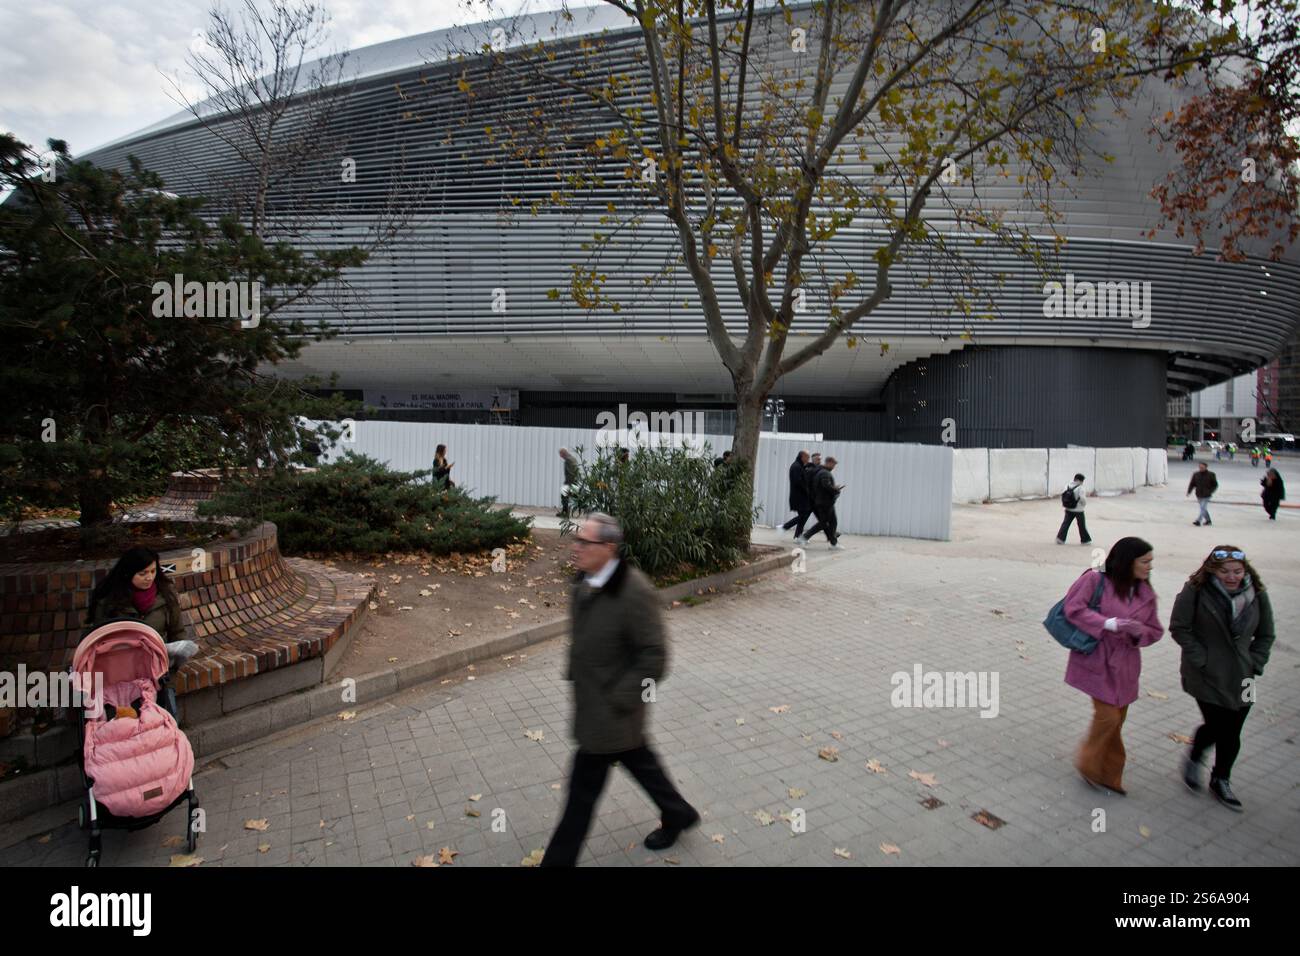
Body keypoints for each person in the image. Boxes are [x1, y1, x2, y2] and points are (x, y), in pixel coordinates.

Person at [541, 513, 699, 866]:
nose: (576, 547)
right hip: (596, 705)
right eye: (576, 540)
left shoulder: (635, 591)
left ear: (609, 547)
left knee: (580, 798)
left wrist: (623, 699)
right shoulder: (586, 579)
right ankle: (679, 813)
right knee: (643, 764)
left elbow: (656, 656)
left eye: (585, 542)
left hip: (610, 713)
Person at [1169, 547, 1275, 811]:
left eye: (1237, 571)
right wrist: (1201, 658)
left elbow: (1266, 635)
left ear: (1246, 570)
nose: (1232, 577)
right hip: (1206, 674)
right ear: (1211, 570)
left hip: (1245, 676)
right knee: (1217, 726)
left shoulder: (1257, 594)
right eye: (1224, 571)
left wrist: (1256, 662)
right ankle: (1195, 756)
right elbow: (1179, 627)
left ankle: (1221, 779)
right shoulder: (1195, 591)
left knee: (1234, 729)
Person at [1061, 536, 1164, 794]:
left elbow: (1155, 630)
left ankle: (1109, 774)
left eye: (1151, 561)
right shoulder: (1095, 580)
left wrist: (1139, 633)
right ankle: (1088, 763)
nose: (1150, 567)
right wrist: (1109, 624)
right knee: (1108, 717)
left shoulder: (1145, 592)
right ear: (1128, 562)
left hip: (1127, 666)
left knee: (1117, 721)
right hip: (1097, 659)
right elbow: (1072, 608)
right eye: (1145, 561)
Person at [86, 548, 200, 716]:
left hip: (158, 670)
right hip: (121, 673)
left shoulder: (165, 595)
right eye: (142, 573)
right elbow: (101, 640)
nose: (149, 577)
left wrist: (173, 663)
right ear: (128, 573)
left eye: (153, 571)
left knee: (165, 720)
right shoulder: (110, 602)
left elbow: (177, 632)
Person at [800, 456, 844, 550]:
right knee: (824, 523)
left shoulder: (822, 472)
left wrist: (833, 488)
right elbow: (825, 486)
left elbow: (824, 486)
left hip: (824, 502)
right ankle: (804, 537)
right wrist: (835, 489)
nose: (834, 466)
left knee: (832, 522)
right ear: (828, 463)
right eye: (833, 464)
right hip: (825, 503)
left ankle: (833, 543)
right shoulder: (824, 473)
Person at [782, 450, 813, 539]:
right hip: (798, 497)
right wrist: (807, 491)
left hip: (801, 496)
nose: (808, 459)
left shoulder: (799, 466)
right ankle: (785, 527)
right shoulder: (796, 466)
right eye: (807, 457)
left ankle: (797, 536)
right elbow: (798, 482)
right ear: (802, 456)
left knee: (803, 517)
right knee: (803, 516)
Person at [1056, 472, 1092, 545]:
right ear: (1079, 480)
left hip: (1068, 508)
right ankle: (1085, 540)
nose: (1082, 482)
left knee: (1065, 523)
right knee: (1081, 525)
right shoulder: (1081, 488)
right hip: (1079, 510)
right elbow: (1082, 499)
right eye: (1082, 480)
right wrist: (1084, 504)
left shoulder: (1067, 485)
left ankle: (1060, 539)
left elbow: (1063, 495)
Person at [1187, 461, 1218, 526]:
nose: (1201, 468)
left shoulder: (1211, 474)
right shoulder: (1196, 474)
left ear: (1206, 467)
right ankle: (1208, 521)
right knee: (1203, 508)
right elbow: (1192, 484)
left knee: (1203, 507)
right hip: (1198, 494)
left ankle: (1198, 521)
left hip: (1207, 495)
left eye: (1202, 467)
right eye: (1200, 467)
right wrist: (1189, 492)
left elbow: (1215, 485)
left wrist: (1211, 491)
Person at [557, 448, 579, 518]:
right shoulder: (573, 458)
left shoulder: (568, 460)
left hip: (570, 482)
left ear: (563, 453)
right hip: (575, 481)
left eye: (560, 454)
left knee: (565, 496)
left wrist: (568, 483)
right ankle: (565, 512)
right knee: (573, 496)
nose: (560, 456)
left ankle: (565, 513)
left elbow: (570, 473)